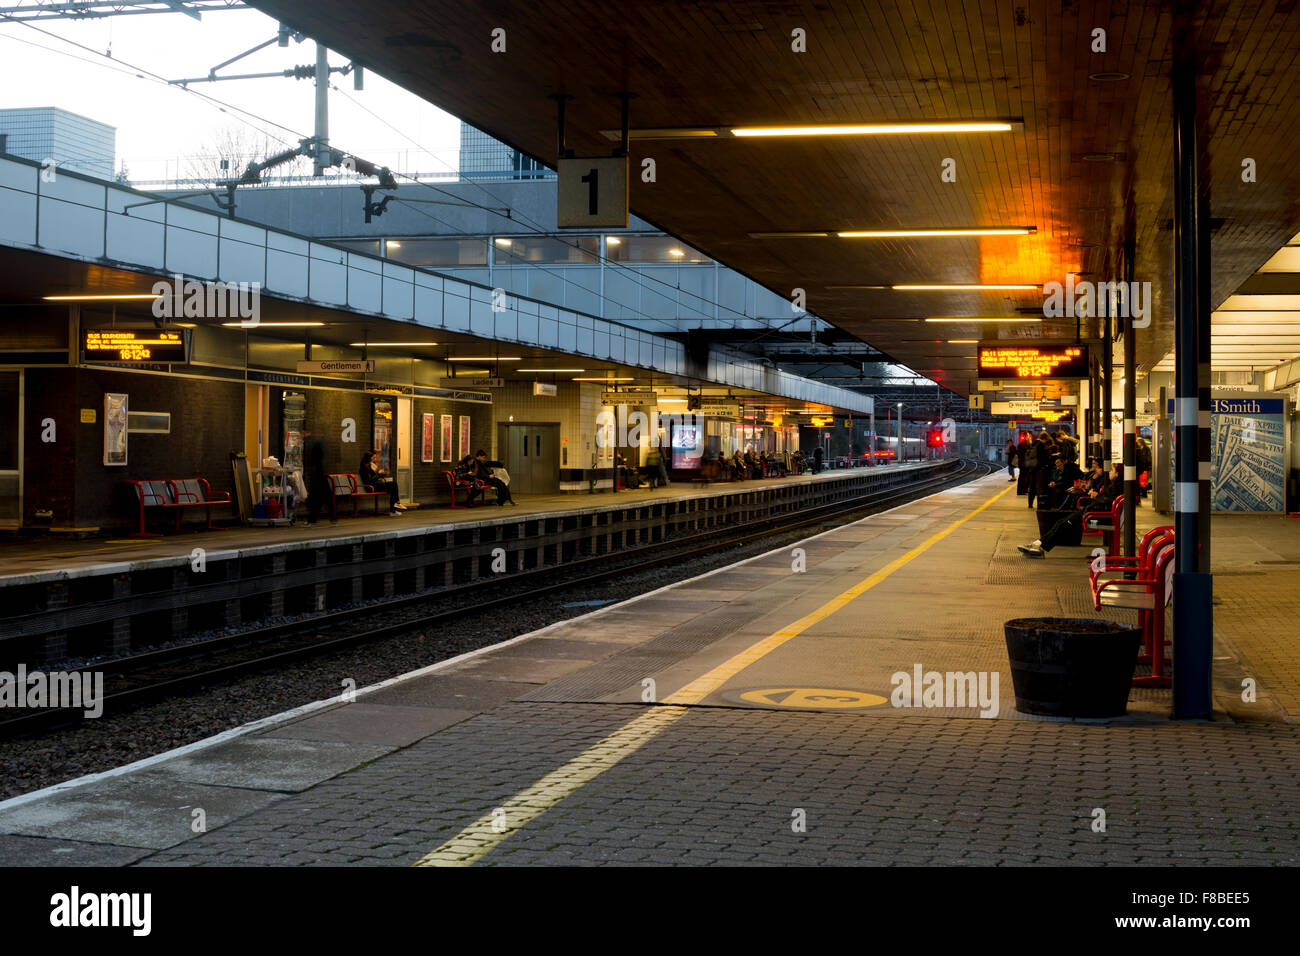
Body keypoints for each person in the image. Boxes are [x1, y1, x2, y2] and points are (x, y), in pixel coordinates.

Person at [1019, 462, 1122, 557]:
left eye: (1112, 470)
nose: (1109, 472)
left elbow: (1106, 501)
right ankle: (1039, 544)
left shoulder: (1117, 486)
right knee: (1061, 522)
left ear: (1117, 474)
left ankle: (1039, 545)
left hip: (1095, 516)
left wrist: (1096, 496)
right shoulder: (1114, 485)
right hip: (1092, 513)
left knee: (1065, 524)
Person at [303, 429, 333, 526]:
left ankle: (313, 520)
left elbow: (312, 460)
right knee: (325, 499)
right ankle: (332, 518)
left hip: (317, 477)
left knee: (316, 499)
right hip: (320, 476)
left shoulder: (313, 444)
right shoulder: (316, 444)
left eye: (304, 432)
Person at [360, 450, 403, 514]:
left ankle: (395, 505)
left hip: (375, 485)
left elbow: (374, 477)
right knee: (393, 486)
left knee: (393, 485)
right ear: (369, 458)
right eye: (373, 458)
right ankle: (395, 507)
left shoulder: (369, 466)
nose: (375, 459)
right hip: (371, 487)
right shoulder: (364, 468)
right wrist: (379, 474)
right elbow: (370, 480)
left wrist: (382, 474)